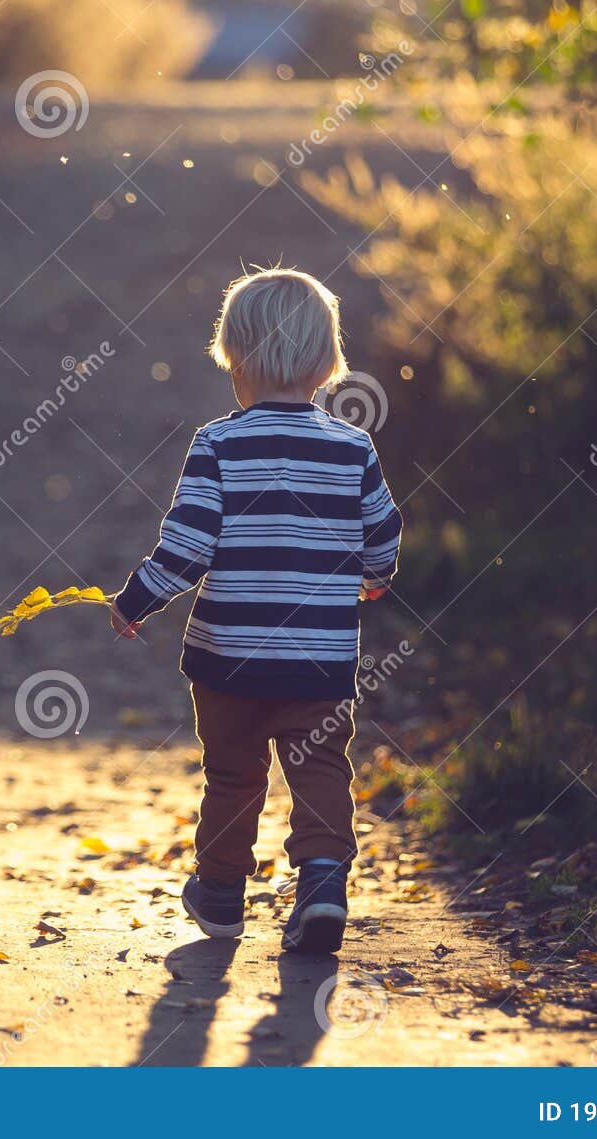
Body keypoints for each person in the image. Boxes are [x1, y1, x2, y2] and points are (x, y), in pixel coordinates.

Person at [109, 266, 402, 953]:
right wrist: (375, 575)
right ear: (328, 364)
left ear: (233, 359)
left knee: (233, 771)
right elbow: (384, 529)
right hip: (320, 658)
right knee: (321, 766)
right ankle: (324, 881)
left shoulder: (217, 444)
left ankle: (219, 893)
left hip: (228, 657)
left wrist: (138, 599)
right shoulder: (353, 448)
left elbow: (187, 544)